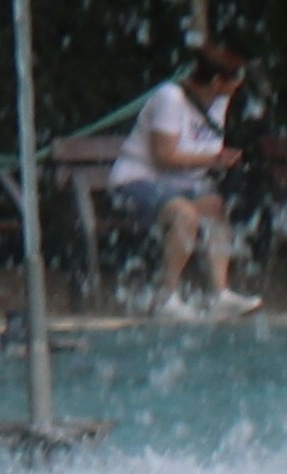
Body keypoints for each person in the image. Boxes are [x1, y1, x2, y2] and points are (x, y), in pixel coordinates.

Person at [107, 41, 253, 309]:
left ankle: (220, 293)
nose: (239, 86)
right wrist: (213, 160)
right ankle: (167, 297)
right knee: (185, 215)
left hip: (179, 185)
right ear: (217, 81)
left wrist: (219, 161)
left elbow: (204, 150)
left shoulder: (219, 102)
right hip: (136, 181)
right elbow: (163, 155)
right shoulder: (170, 98)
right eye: (235, 80)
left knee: (214, 208)